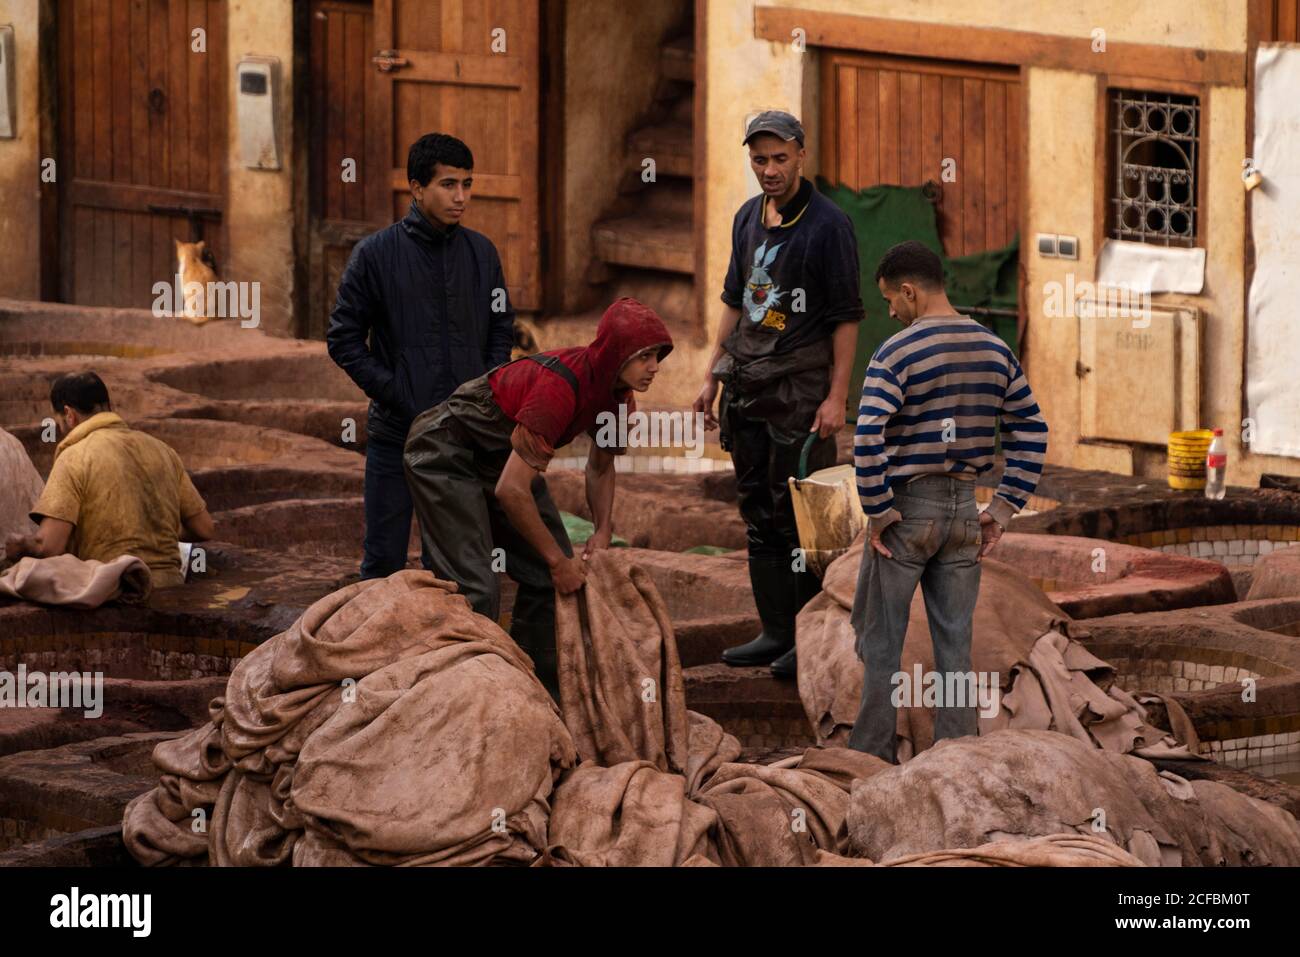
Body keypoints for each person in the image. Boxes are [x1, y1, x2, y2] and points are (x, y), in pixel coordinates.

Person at [404, 298, 672, 698]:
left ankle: (536, 693)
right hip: (445, 452)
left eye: (657, 357)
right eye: (644, 356)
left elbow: (599, 468)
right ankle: (464, 698)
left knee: (551, 580)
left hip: (502, 459)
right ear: (616, 353)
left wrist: (602, 530)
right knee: (476, 585)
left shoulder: (619, 398)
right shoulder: (560, 389)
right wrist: (557, 561)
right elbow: (511, 490)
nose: (654, 367)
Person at [848, 241, 1049, 762]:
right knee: (955, 648)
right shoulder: (994, 348)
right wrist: (1001, 510)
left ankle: (867, 760)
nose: (891, 313)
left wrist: (877, 510)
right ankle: (956, 761)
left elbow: (868, 436)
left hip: (905, 513)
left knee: (880, 644)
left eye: (892, 301)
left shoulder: (894, 353)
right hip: (964, 510)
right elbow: (1032, 430)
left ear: (910, 291)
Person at [693, 110, 864, 679]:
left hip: (800, 390)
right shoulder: (747, 218)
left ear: (800, 155)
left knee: (803, 519)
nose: (769, 169)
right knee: (758, 514)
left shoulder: (828, 226)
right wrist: (711, 376)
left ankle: (808, 637)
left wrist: (838, 396)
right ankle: (773, 631)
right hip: (747, 387)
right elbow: (734, 301)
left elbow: (845, 318)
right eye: (760, 159)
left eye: (780, 158)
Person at [327, 132, 516, 580]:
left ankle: (448, 650)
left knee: (453, 568)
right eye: (448, 185)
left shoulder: (481, 253)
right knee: (381, 566)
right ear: (416, 188)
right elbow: (343, 338)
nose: (461, 197)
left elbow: (501, 325)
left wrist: (481, 389)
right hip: (397, 433)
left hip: (462, 438)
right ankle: (377, 652)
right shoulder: (375, 255)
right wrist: (397, 393)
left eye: (467, 185)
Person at [4, 372, 214, 588]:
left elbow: (49, 547)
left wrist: (20, 546)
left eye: (58, 423)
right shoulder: (163, 450)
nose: (60, 430)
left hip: (116, 590)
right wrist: (152, 527)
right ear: (107, 406)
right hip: (171, 585)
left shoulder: (74, 457)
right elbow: (205, 528)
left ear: (69, 414)